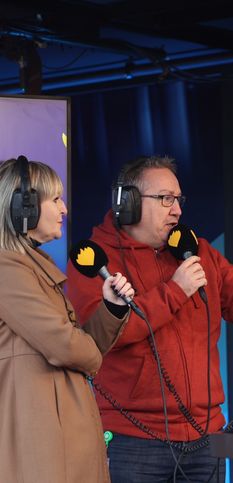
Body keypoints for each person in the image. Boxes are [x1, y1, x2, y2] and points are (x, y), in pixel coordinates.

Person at [67, 156, 233, 482]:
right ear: (129, 203)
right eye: (165, 199)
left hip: (204, 439)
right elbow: (101, 338)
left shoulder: (199, 252)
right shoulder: (95, 260)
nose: (177, 210)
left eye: (178, 199)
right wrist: (175, 291)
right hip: (131, 441)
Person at [0, 157, 135, 482]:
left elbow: (78, 346)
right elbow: (64, 346)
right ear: (24, 207)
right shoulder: (7, 269)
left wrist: (112, 308)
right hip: (42, 448)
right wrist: (87, 355)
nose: (64, 209)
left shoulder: (32, 267)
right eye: (56, 199)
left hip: (62, 441)